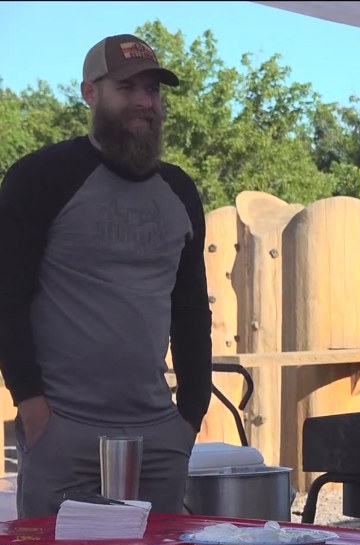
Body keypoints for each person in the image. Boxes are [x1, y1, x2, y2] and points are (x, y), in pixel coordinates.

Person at [0, 34, 212, 517]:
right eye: (127, 88)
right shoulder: (40, 178)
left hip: (159, 435)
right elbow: (6, 297)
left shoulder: (178, 190)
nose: (144, 102)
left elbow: (192, 311)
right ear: (90, 93)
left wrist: (190, 416)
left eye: (153, 90)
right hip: (64, 431)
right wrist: (31, 403)